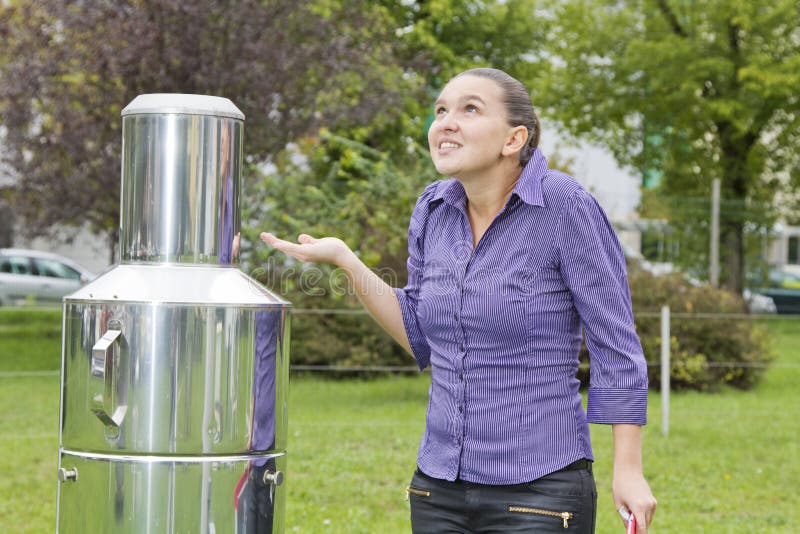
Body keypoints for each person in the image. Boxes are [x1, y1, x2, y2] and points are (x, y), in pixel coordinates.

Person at [260, 67, 657, 533]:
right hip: (438, 489)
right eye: (441, 110)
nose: (446, 121)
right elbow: (420, 337)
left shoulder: (564, 206)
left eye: (469, 109)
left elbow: (616, 346)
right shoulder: (433, 209)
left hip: (540, 493)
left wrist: (627, 468)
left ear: (514, 140)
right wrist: (346, 260)